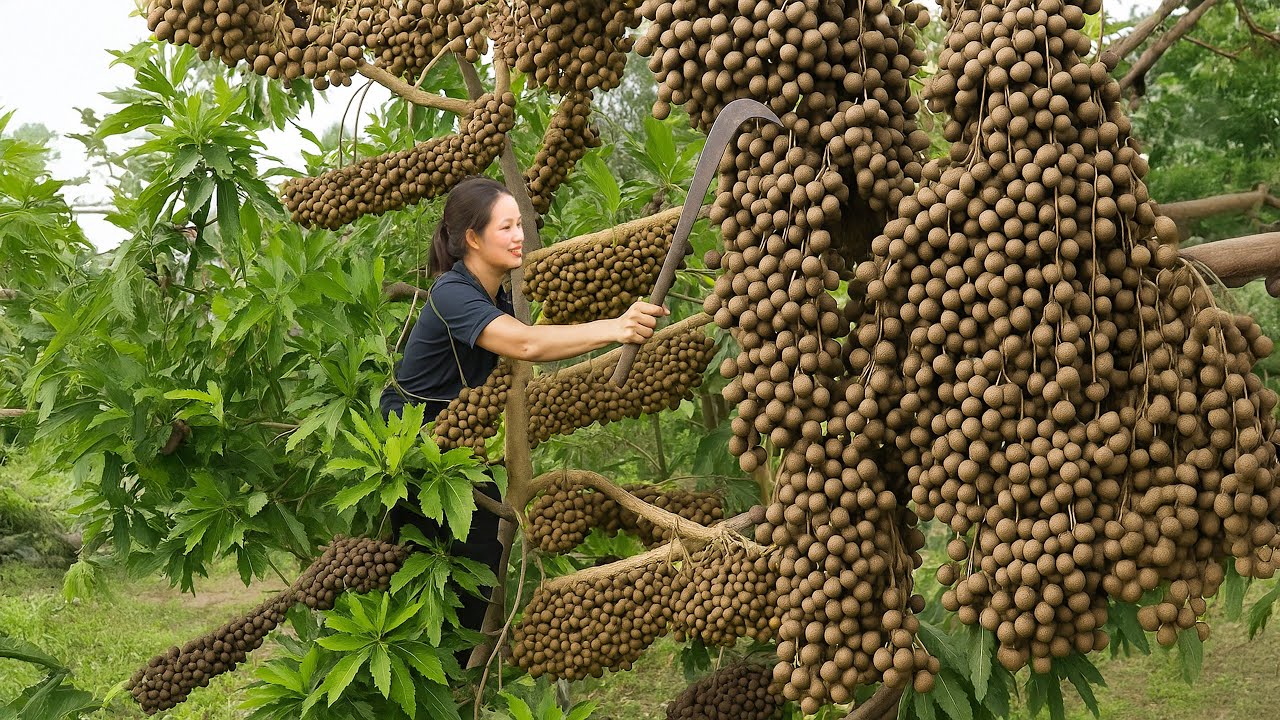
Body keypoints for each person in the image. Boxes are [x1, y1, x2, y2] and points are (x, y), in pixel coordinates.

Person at [378, 176, 669, 652]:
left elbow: (536, 331)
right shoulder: (452, 293)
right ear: (472, 238)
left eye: (520, 225)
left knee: (486, 556)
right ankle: (450, 678)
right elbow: (526, 343)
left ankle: (469, 668)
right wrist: (616, 328)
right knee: (450, 576)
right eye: (506, 227)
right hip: (414, 450)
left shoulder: (499, 293)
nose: (519, 236)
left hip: (460, 444)